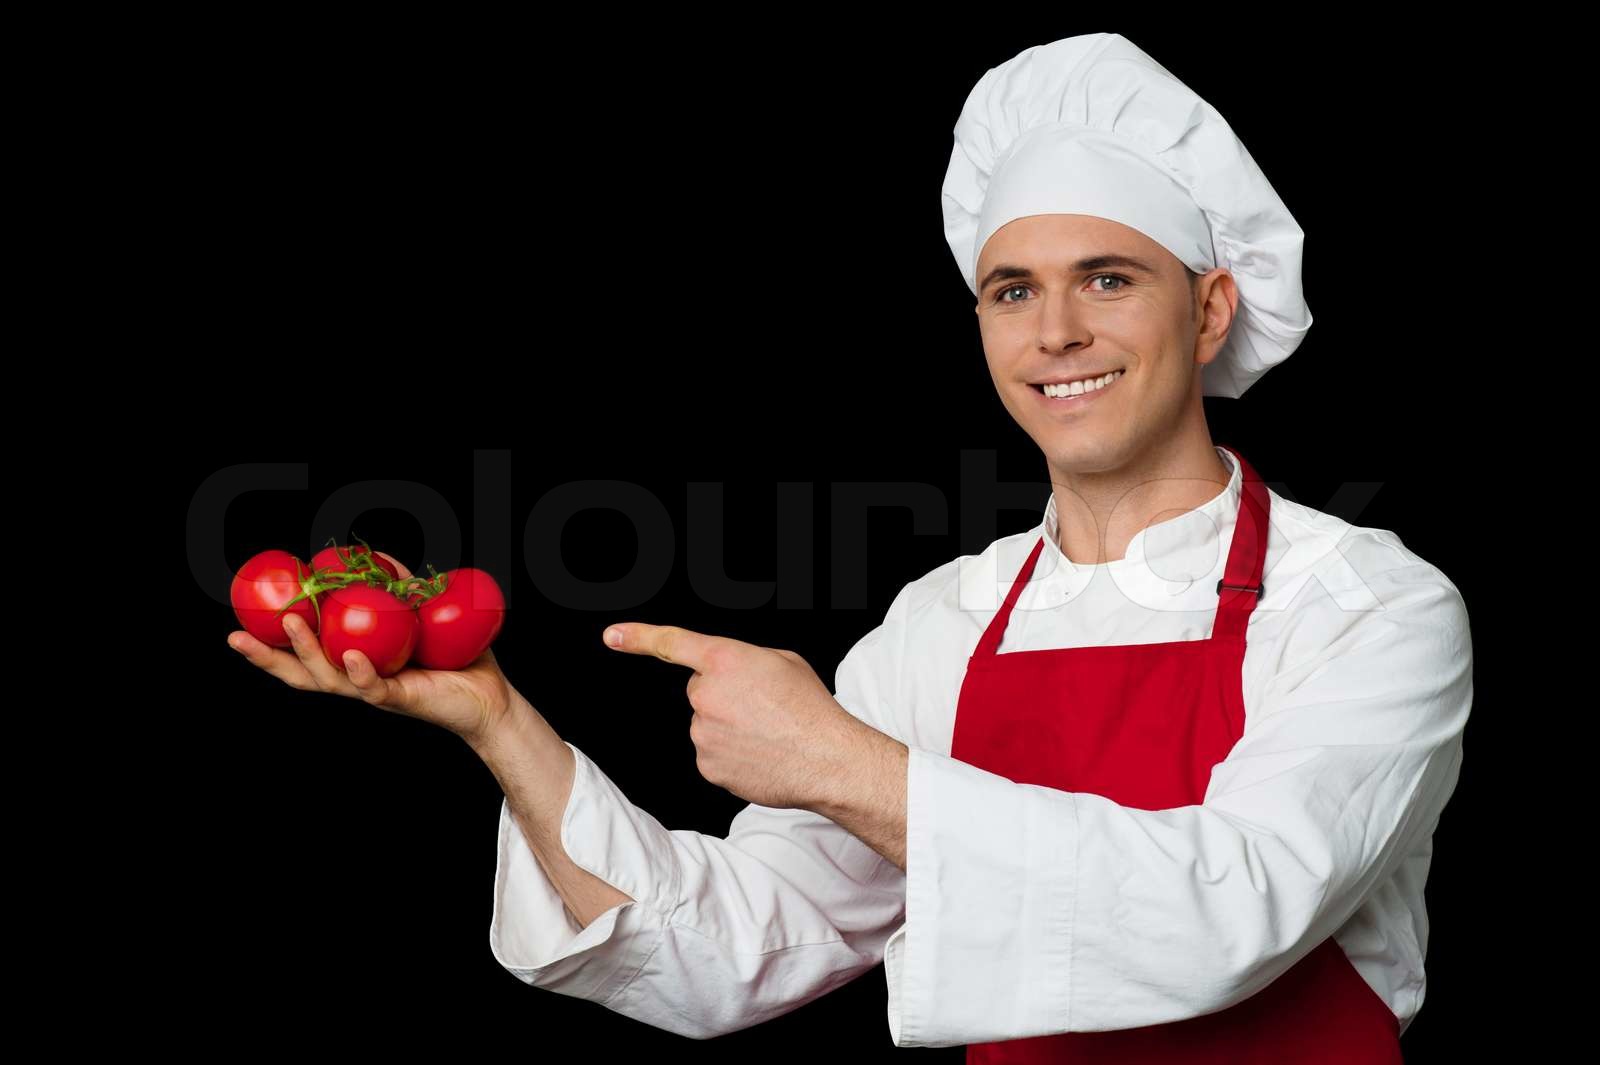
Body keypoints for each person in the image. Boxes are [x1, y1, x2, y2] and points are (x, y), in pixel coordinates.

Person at [226, 32, 1471, 1060]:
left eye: (1107, 279)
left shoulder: (1365, 604)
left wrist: (840, 762)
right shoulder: (943, 624)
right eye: (1012, 289)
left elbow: (1233, 911)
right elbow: (729, 954)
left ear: (1207, 309)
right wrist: (500, 723)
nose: (1054, 334)